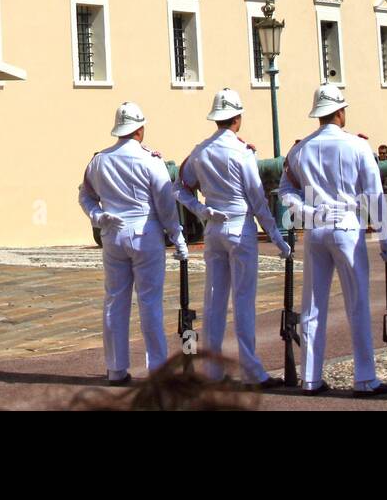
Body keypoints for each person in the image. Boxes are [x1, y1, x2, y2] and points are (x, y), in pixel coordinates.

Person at [278, 84, 387, 397]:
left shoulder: (299, 149)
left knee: (313, 305)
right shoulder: (356, 147)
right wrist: (385, 241)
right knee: (357, 302)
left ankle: (311, 377)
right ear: (340, 112)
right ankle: (365, 377)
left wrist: (309, 211)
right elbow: (373, 196)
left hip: (315, 227)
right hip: (346, 225)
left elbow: (286, 192)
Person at [174, 89, 291, 388]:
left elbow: (180, 188)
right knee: (243, 301)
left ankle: (212, 370)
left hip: (213, 229)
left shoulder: (200, 151)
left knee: (214, 300)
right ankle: (252, 370)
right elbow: (257, 200)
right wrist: (276, 236)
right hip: (240, 228)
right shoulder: (242, 153)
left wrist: (202, 210)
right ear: (237, 118)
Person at [79, 101, 187, 385]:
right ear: (140, 129)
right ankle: (157, 369)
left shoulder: (99, 160)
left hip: (113, 234)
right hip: (145, 232)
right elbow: (165, 206)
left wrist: (98, 216)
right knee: (150, 302)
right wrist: (176, 236)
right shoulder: (150, 160)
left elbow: (85, 195)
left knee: (115, 301)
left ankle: (116, 368)